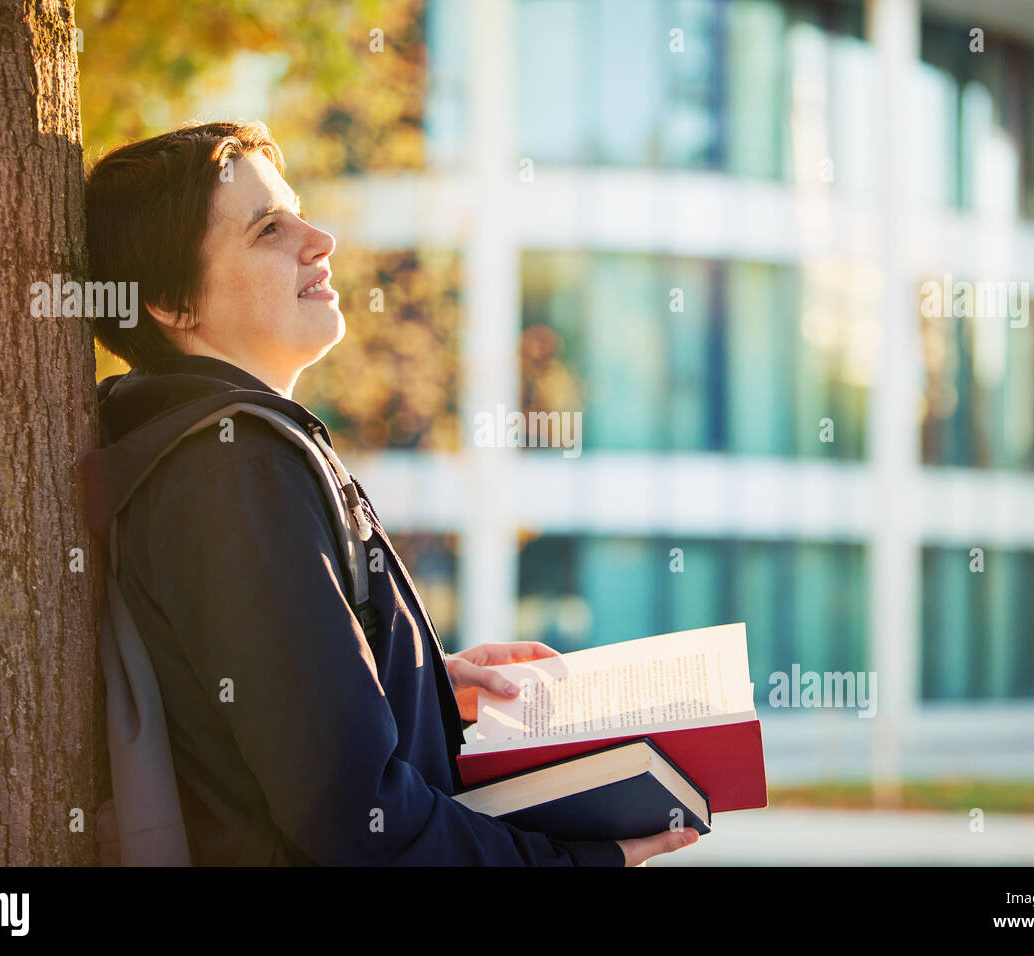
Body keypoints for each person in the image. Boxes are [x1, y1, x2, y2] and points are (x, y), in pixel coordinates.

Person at [81, 120, 699, 866]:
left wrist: (424, 684)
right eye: (269, 229)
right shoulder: (232, 470)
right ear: (174, 304)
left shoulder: (225, 451)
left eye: (300, 211)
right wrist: (577, 864)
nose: (320, 239)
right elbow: (353, 819)